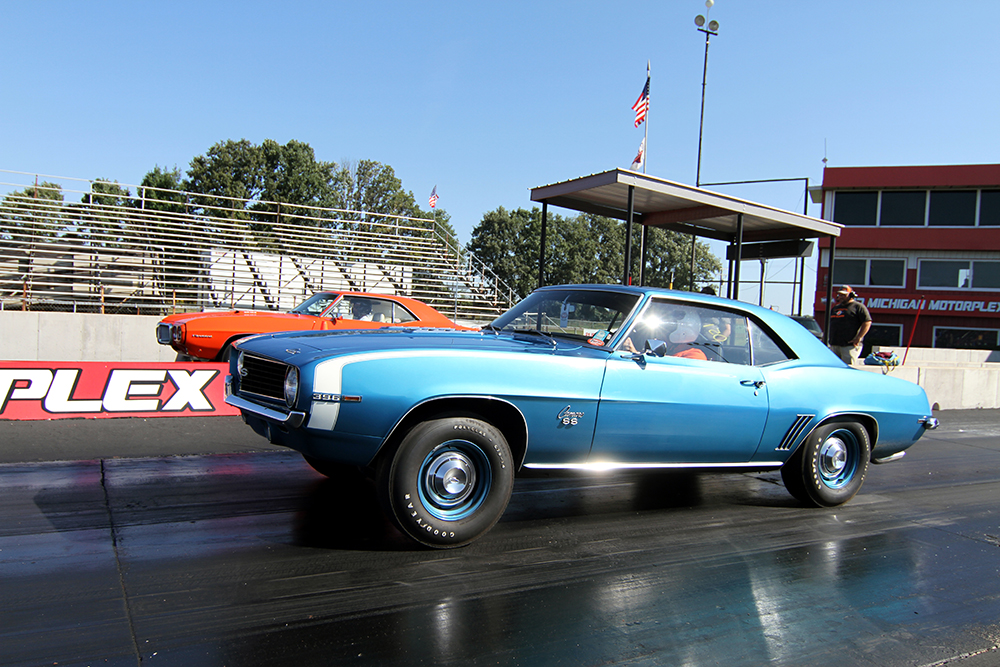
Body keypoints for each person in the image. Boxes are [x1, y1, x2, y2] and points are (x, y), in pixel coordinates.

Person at [622, 305, 708, 360]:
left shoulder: (695, 356)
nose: (662, 332)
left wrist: (633, 351)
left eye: (669, 328)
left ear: (681, 331)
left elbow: (668, 377)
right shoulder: (665, 348)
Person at [828, 285, 871, 365]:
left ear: (851, 295)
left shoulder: (858, 307)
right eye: (839, 295)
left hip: (849, 345)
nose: (841, 297)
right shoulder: (835, 308)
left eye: (844, 295)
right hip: (834, 344)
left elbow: (867, 322)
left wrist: (859, 337)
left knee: (848, 368)